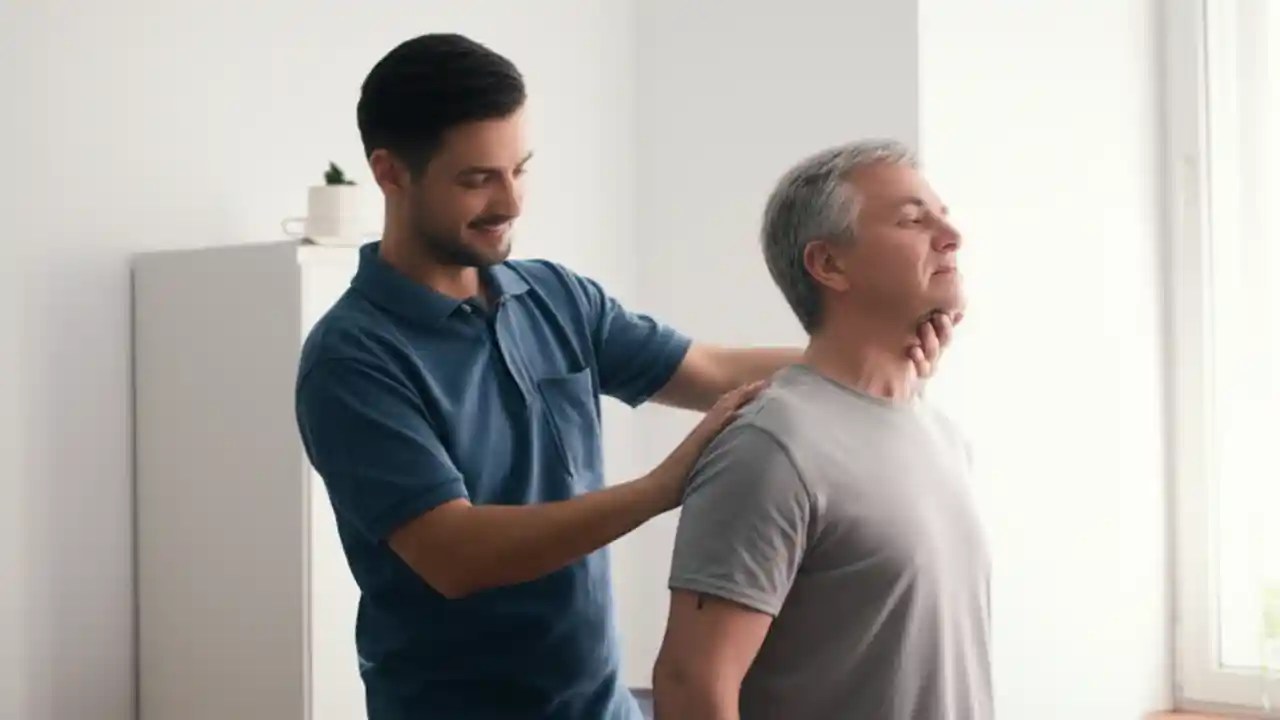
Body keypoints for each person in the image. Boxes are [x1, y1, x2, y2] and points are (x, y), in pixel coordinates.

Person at [294, 34, 956, 720]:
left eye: (519, 169)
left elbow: (709, 369)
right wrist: (658, 489)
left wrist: (875, 354)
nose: (511, 201)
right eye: (476, 179)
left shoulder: (553, 297)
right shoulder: (352, 361)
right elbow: (454, 554)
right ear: (390, 173)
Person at [652, 140, 987, 720]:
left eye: (943, 213)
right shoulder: (771, 446)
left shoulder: (943, 436)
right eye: (912, 219)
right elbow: (691, 687)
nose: (950, 234)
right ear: (829, 264)